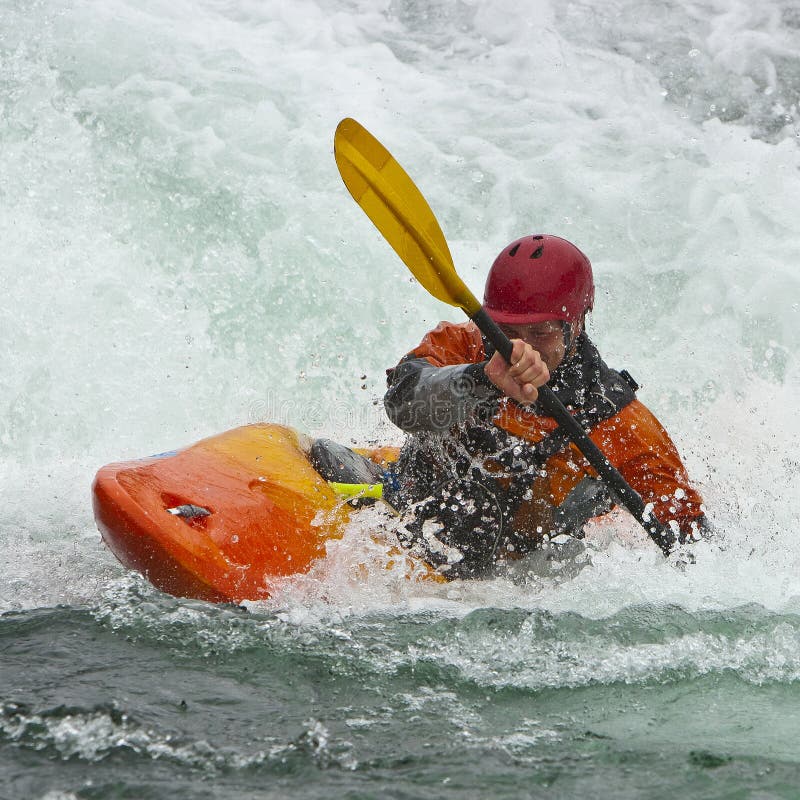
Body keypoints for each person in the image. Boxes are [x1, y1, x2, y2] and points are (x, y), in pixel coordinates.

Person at [381, 234, 708, 577]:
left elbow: (695, 543)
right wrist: (480, 379)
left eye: (540, 333)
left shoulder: (621, 426)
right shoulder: (466, 346)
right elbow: (401, 404)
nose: (522, 349)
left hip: (513, 576)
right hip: (406, 507)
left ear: (576, 325)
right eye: (506, 331)